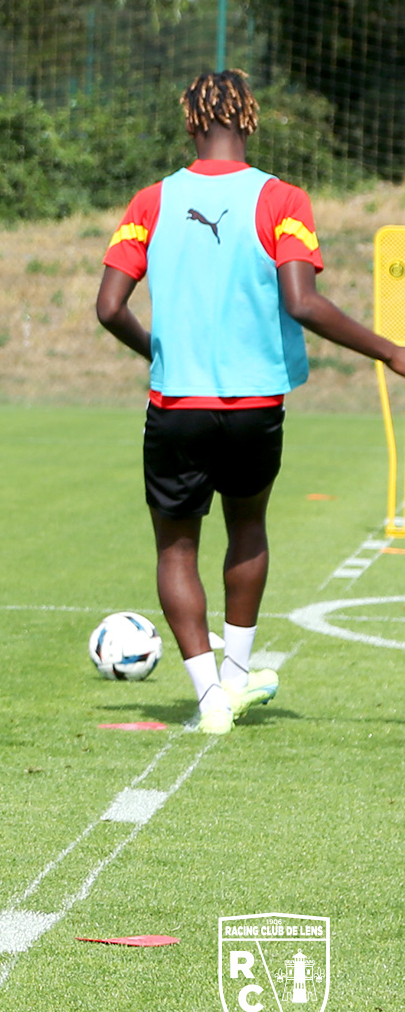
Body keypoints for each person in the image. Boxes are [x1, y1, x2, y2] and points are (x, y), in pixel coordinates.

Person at [96, 70, 405, 733]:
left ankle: (211, 696)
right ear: (250, 118)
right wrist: (388, 349)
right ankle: (236, 673)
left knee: (176, 548)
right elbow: (303, 301)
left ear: (190, 122)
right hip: (255, 403)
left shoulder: (150, 201)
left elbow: (108, 307)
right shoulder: (282, 198)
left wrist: (157, 350)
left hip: (177, 402)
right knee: (248, 527)